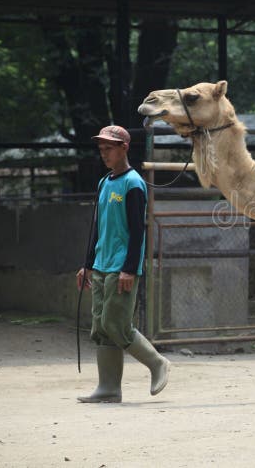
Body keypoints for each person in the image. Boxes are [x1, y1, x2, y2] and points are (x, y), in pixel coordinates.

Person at [76, 124, 170, 403]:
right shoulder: (104, 183)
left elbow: (138, 232)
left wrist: (130, 268)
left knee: (115, 323)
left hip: (121, 268)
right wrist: (87, 264)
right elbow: (98, 227)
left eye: (110, 148)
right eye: (101, 149)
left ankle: (157, 363)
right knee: (100, 327)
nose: (104, 154)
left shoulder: (134, 184)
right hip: (102, 265)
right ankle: (108, 388)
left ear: (124, 148)